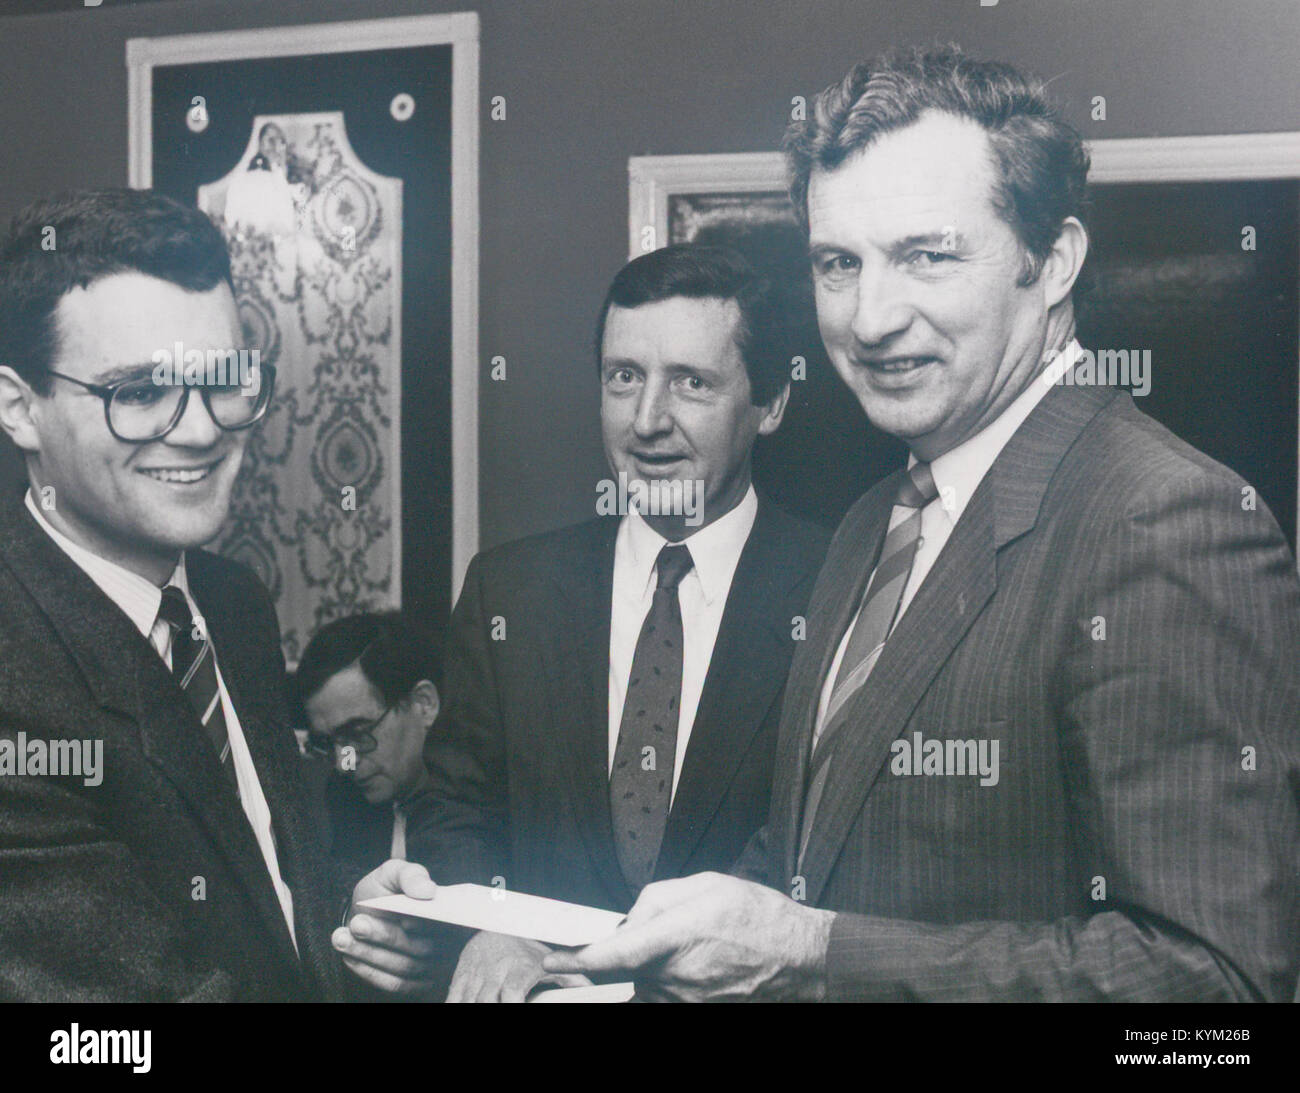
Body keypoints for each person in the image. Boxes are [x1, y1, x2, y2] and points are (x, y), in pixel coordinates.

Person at [539, 47, 1300, 1001]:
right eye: (837, 264)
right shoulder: (874, 519)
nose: (870, 317)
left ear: (1051, 261)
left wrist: (813, 953)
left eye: (926, 256)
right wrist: (605, 951)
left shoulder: (1164, 521)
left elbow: (1220, 994)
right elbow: (825, 845)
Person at [0, 188, 434, 1001]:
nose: (201, 431)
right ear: (19, 406)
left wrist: (343, 913)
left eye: (225, 380)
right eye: (137, 393)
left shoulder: (231, 603)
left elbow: (247, 868)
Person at [405, 244, 831, 1001]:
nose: (646, 421)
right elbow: (455, 808)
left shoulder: (840, 588)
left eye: (691, 382)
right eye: (623, 378)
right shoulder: (509, 590)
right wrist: (490, 924)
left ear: (771, 405)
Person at [295, 611, 441, 899]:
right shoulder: (344, 796)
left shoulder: (479, 805)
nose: (343, 763)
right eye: (328, 741)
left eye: (358, 732)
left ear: (424, 704)